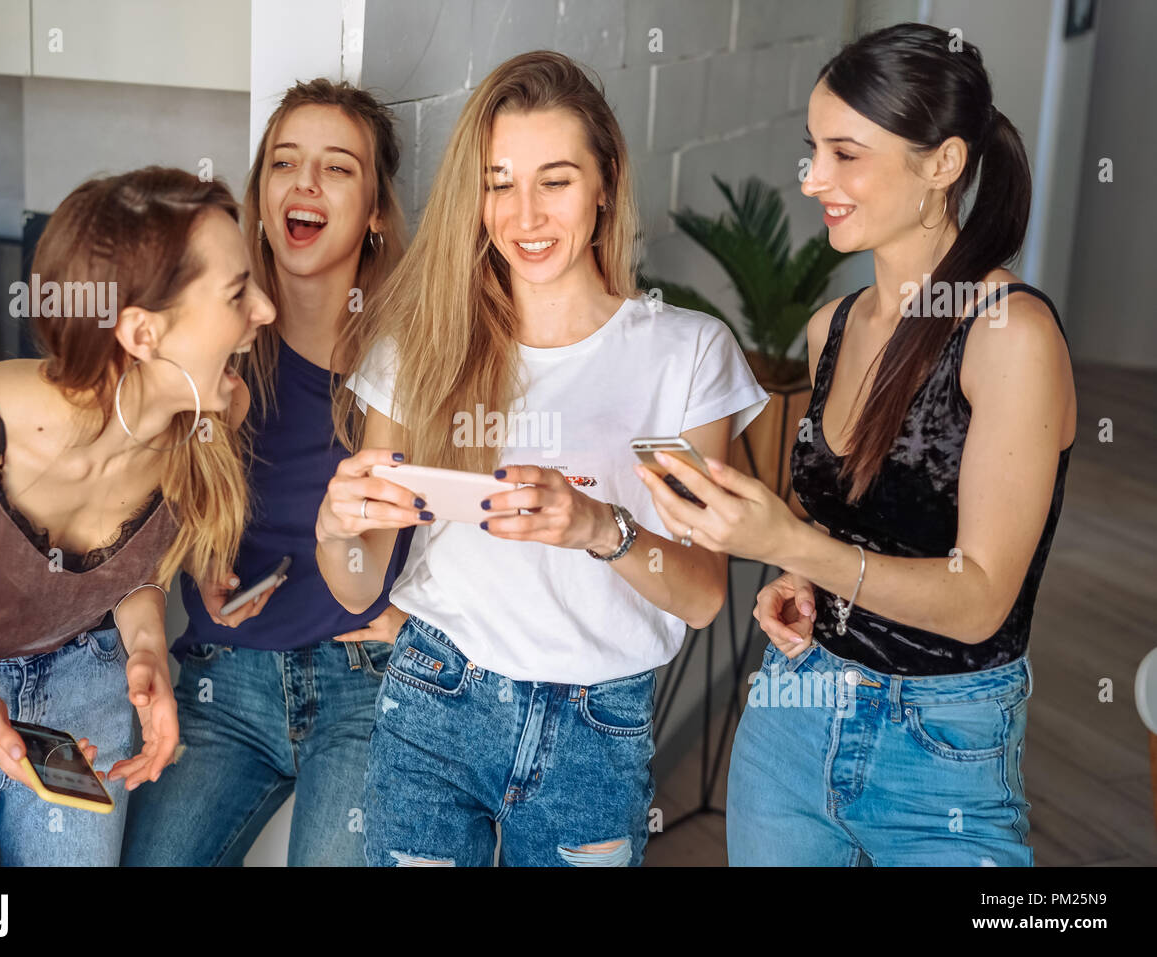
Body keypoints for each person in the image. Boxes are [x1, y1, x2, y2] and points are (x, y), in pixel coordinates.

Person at [315, 50, 770, 867]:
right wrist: (335, 526)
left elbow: (703, 595)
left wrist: (599, 526)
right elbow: (355, 578)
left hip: (596, 727)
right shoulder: (422, 345)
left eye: (555, 180)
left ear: (605, 184)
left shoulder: (687, 354)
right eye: (499, 182)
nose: (524, 214)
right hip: (434, 697)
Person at [640, 23, 1075, 866]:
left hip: (942, 749)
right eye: (814, 151)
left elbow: (982, 598)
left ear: (943, 164)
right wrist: (796, 577)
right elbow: (836, 520)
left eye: (846, 154)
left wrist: (788, 543)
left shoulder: (1009, 335)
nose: (812, 180)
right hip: (791, 719)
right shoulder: (830, 329)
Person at [0, 166, 274, 865]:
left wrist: (144, 649)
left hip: (84, 697)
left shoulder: (204, 413)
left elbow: (136, 563)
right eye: (237, 293)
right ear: (142, 332)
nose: (264, 308)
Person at [122, 80, 412, 867]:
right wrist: (206, 554)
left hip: (364, 676)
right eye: (285, 163)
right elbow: (143, 486)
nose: (305, 183)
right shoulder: (215, 337)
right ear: (261, 193)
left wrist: (422, 617)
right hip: (226, 678)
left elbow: (454, 514)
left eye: (338, 168)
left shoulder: (406, 355)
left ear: (377, 209)